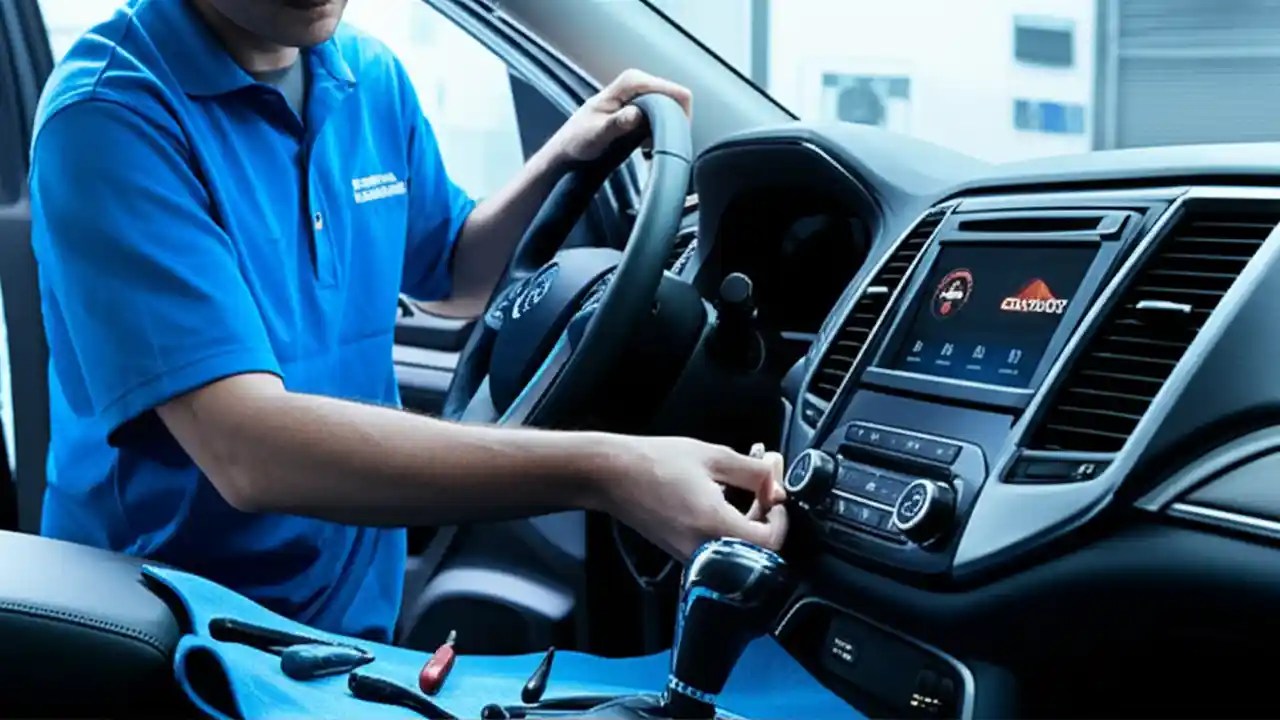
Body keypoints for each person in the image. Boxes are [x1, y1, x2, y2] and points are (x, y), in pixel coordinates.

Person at [28, 0, 788, 642]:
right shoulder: (108, 117)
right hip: (175, 634)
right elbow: (246, 451)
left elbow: (455, 270)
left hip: (345, 628)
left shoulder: (365, 75)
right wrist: (608, 472)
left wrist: (566, 152)